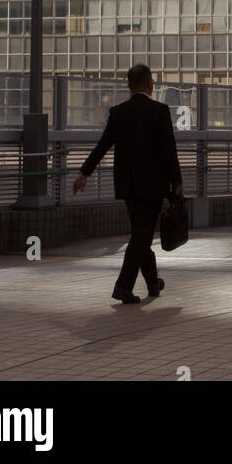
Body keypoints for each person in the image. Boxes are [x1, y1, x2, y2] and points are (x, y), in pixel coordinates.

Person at [73, 62, 183, 304]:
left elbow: (102, 145)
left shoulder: (118, 112)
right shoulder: (160, 111)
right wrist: (177, 182)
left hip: (127, 186)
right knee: (142, 235)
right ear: (150, 84)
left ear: (128, 86)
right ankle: (123, 287)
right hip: (153, 185)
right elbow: (169, 151)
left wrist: (84, 173)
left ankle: (153, 283)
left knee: (140, 234)